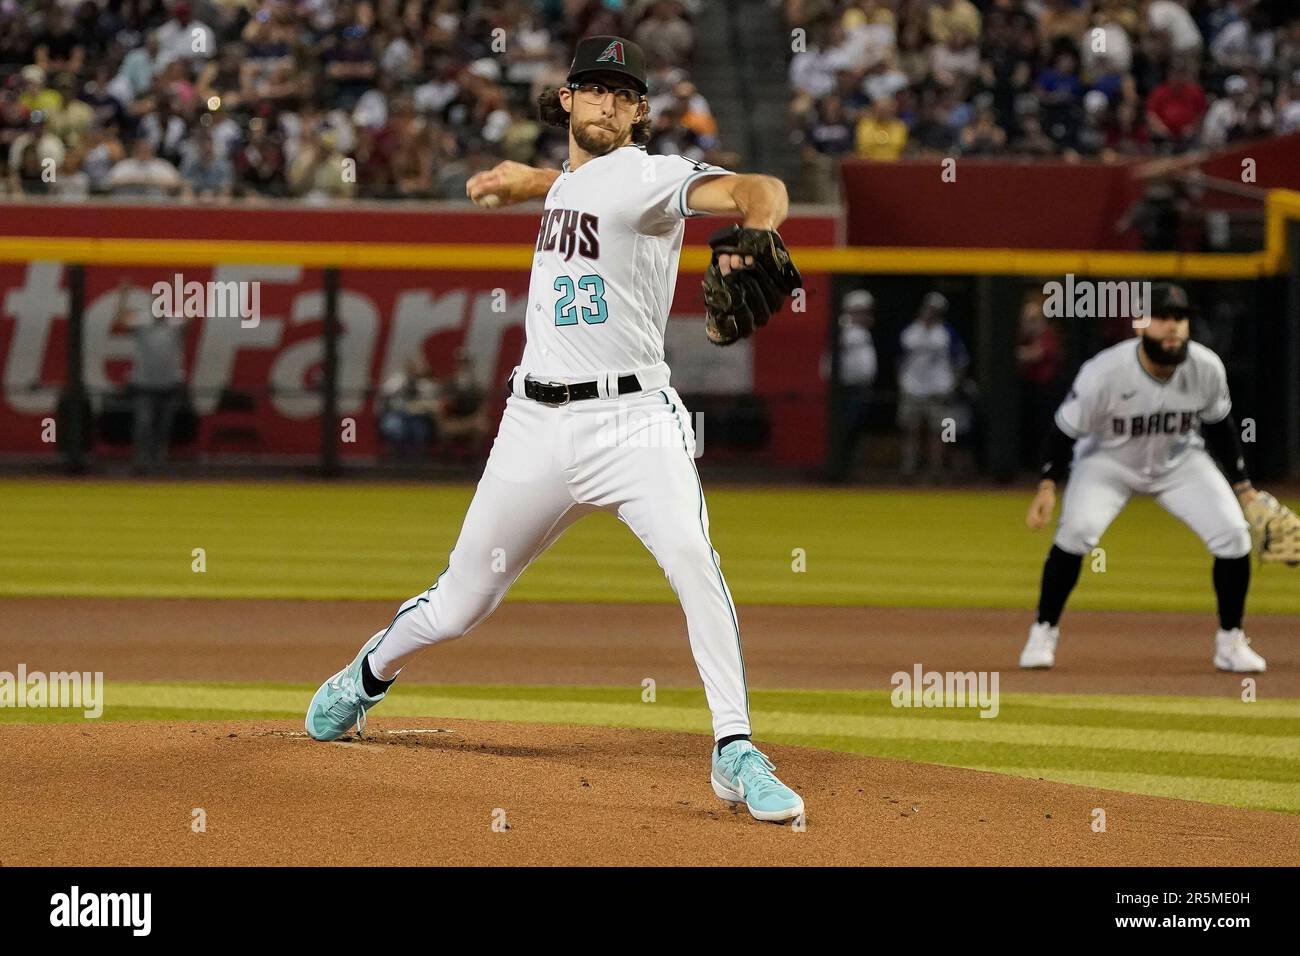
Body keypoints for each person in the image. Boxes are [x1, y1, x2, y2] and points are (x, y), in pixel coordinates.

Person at [304, 36, 806, 823]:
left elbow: (759, 187)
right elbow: (579, 188)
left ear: (640, 111)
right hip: (534, 425)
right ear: (567, 98)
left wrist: (758, 233)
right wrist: (529, 181)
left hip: (634, 420)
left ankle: (734, 749)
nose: (608, 102)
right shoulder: (573, 181)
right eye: (594, 87)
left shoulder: (652, 174)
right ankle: (365, 676)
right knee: (460, 604)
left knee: (693, 562)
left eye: (624, 92)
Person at [1020, 283, 1267, 673]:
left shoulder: (1205, 367)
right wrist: (1048, 485)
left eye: (1179, 317)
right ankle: (1043, 630)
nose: (1172, 327)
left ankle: (1231, 642)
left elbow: (1220, 427)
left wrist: (1244, 489)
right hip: (1108, 462)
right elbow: (1063, 432)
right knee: (1076, 532)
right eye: (1162, 317)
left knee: (1234, 537)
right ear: (1139, 324)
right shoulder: (1104, 373)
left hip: (1179, 461)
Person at [110, 280, 190, 473]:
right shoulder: (141, 322)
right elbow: (119, 322)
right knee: (143, 423)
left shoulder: (174, 323)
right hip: (144, 384)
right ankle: (141, 461)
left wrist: (182, 293)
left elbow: (191, 317)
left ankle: (159, 461)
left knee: (164, 426)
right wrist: (123, 296)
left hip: (169, 384)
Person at [896, 292, 968, 477]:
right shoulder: (910, 332)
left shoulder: (946, 334)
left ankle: (936, 469)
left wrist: (953, 385)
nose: (930, 313)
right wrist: (902, 382)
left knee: (938, 432)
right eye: (928, 309)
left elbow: (960, 361)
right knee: (910, 429)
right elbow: (899, 359)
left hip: (938, 389)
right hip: (912, 388)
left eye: (935, 310)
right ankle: (908, 468)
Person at [824, 289, 878, 481]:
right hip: (847, 389)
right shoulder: (844, 330)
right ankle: (839, 470)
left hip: (861, 389)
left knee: (855, 431)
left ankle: (848, 468)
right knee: (845, 430)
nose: (866, 315)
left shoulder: (862, 332)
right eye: (862, 311)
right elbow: (829, 362)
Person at [378, 352, 439, 459]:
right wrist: (404, 383)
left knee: (420, 431)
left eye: (416, 366)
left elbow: (432, 399)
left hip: (417, 417)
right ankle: (396, 457)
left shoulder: (424, 383)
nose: (413, 368)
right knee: (393, 427)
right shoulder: (398, 379)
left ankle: (418, 459)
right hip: (396, 415)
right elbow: (385, 391)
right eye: (411, 366)